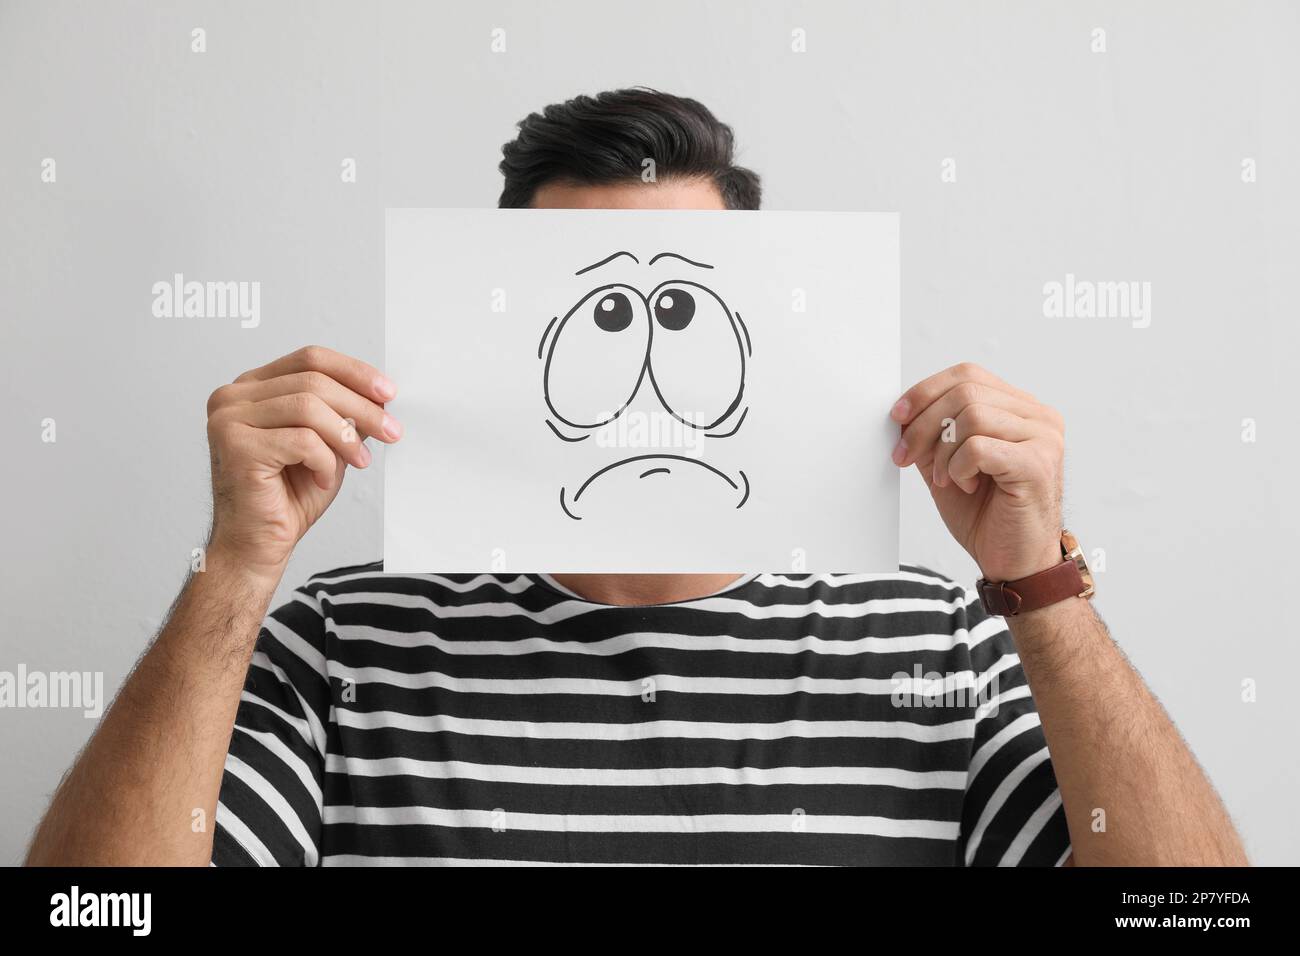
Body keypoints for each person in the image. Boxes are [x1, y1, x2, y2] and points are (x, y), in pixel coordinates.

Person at [26, 89, 1246, 866]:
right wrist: (237, 564)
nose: (647, 339)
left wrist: (1040, 579)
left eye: (688, 290)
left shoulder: (939, 641)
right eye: (593, 294)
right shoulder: (345, 639)